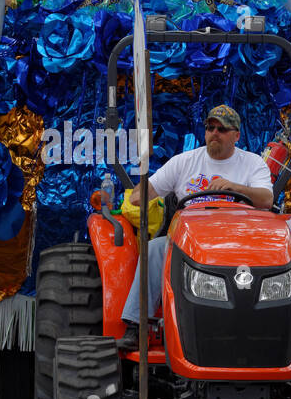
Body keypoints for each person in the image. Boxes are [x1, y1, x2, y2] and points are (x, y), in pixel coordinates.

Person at [114, 105, 273, 351]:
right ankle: (136, 326)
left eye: (222, 129)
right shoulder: (184, 162)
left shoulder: (252, 164)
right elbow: (140, 195)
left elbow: (266, 200)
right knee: (155, 249)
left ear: (236, 135)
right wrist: (141, 193)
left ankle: (267, 329)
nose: (214, 133)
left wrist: (235, 188)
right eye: (210, 128)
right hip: (188, 244)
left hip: (237, 244)